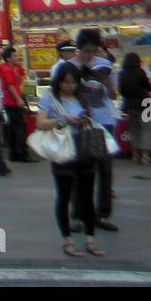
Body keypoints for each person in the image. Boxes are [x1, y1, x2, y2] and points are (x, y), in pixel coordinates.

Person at [36, 61, 104, 258]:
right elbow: (40, 123)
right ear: (59, 82)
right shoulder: (50, 99)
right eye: (66, 82)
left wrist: (84, 119)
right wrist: (64, 119)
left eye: (73, 82)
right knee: (64, 197)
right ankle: (68, 240)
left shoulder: (83, 99)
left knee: (87, 197)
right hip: (62, 151)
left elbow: (95, 116)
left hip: (84, 149)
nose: (69, 86)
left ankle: (91, 239)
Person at [53, 31, 118, 232]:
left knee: (104, 170)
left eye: (93, 51)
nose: (89, 55)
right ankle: (79, 215)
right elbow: (58, 96)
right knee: (79, 170)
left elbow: (114, 95)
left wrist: (106, 82)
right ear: (78, 49)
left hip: (103, 122)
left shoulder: (105, 65)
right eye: (85, 51)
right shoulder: (67, 67)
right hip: (79, 123)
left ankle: (103, 214)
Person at [0, 46, 34, 162]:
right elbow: (10, 85)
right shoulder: (7, 69)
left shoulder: (10, 68)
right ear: (8, 58)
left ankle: (14, 154)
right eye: (14, 56)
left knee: (14, 128)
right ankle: (21, 153)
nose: (17, 57)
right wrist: (19, 99)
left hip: (10, 101)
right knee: (21, 127)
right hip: (12, 102)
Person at [118, 53, 151, 165]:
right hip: (144, 103)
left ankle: (135, 154)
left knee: (133, 130)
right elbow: (148, 87)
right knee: (146, 129)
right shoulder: (140, 72)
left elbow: (121, 91)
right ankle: (145, 156)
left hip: (129, 105)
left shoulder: (122, 74)